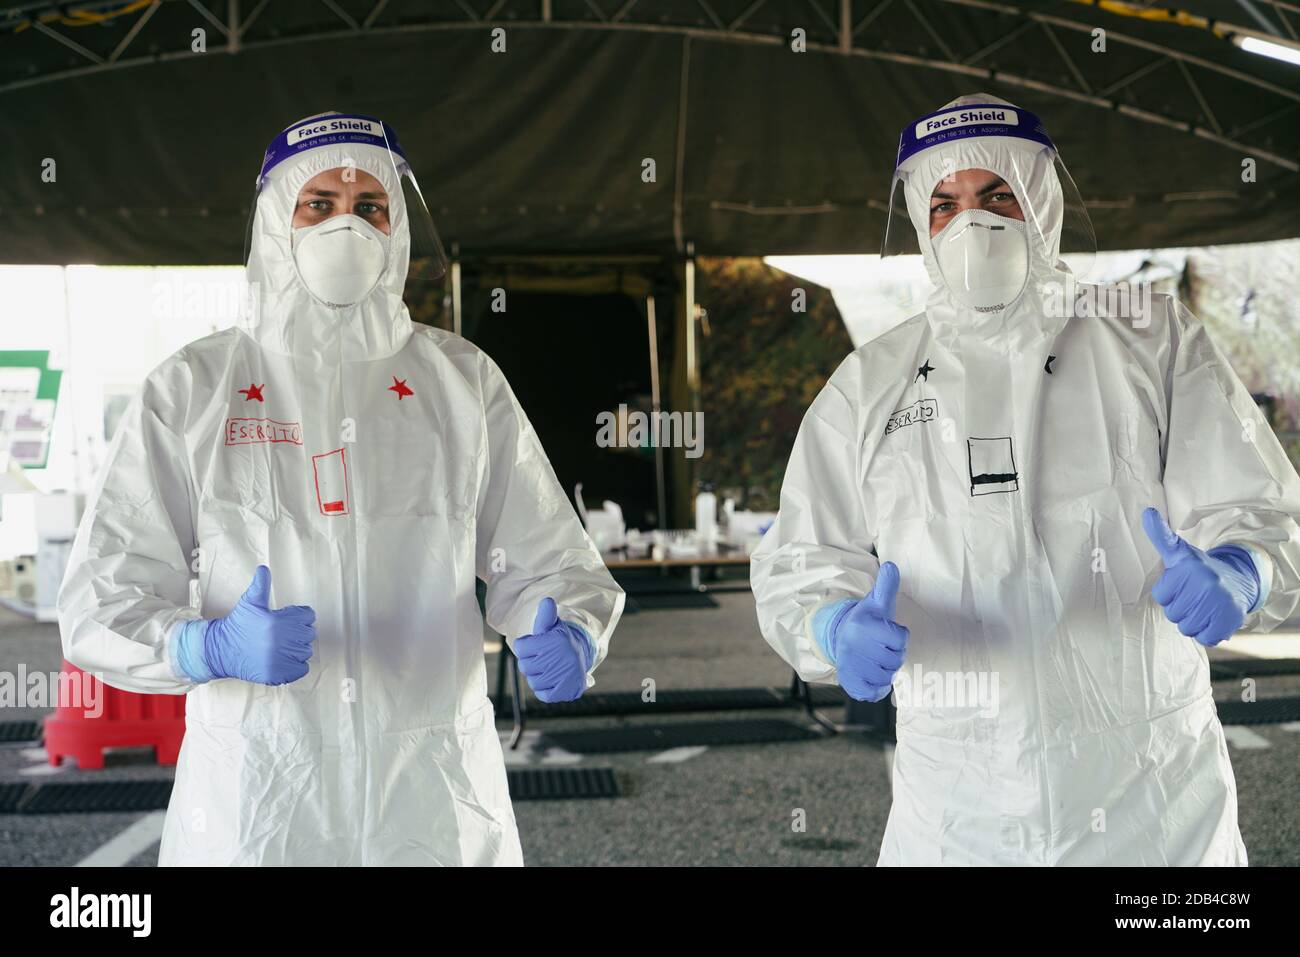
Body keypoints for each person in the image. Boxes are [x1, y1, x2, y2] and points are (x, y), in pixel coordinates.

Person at [58, 112, 624, 866]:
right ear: (274, 223)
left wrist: (572, 628)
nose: (346, 227)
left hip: (431, 797)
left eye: (370, 208)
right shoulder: (195, 389)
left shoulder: (460, 384)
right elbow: (101, 597)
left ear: (396, 230)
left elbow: (551, 556)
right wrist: (202, 646)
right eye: (318, 204)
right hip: (258, 796)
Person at [750, 94, 1300, 866]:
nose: (972, 223)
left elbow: (1260, 507)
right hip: (958, 811)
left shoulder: (1148, 338)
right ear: (919, 219)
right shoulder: (870, 385)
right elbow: (800, 561)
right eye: (944, 204)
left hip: (1153, 804)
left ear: (1041, 200)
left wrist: (1241, 571)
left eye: (997, 195)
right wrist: (832, 625)